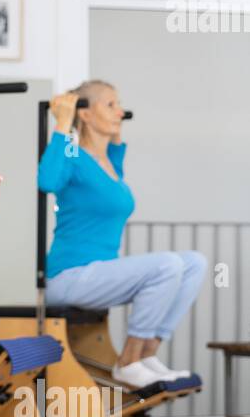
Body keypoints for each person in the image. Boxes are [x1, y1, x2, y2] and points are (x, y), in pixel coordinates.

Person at [38, 80, 206, 389]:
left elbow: (114, 156)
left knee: (195, 262)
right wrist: (63, 121)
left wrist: (115, 133)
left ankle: (146, 354)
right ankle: (128, 362)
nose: (120, 111)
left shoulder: (108, 163)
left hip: (100, 274)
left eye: (119, 104)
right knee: (167, 264)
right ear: (85, 114)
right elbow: (47, 180)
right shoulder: (74, 158)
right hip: (68, 276)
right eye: (110, 104)